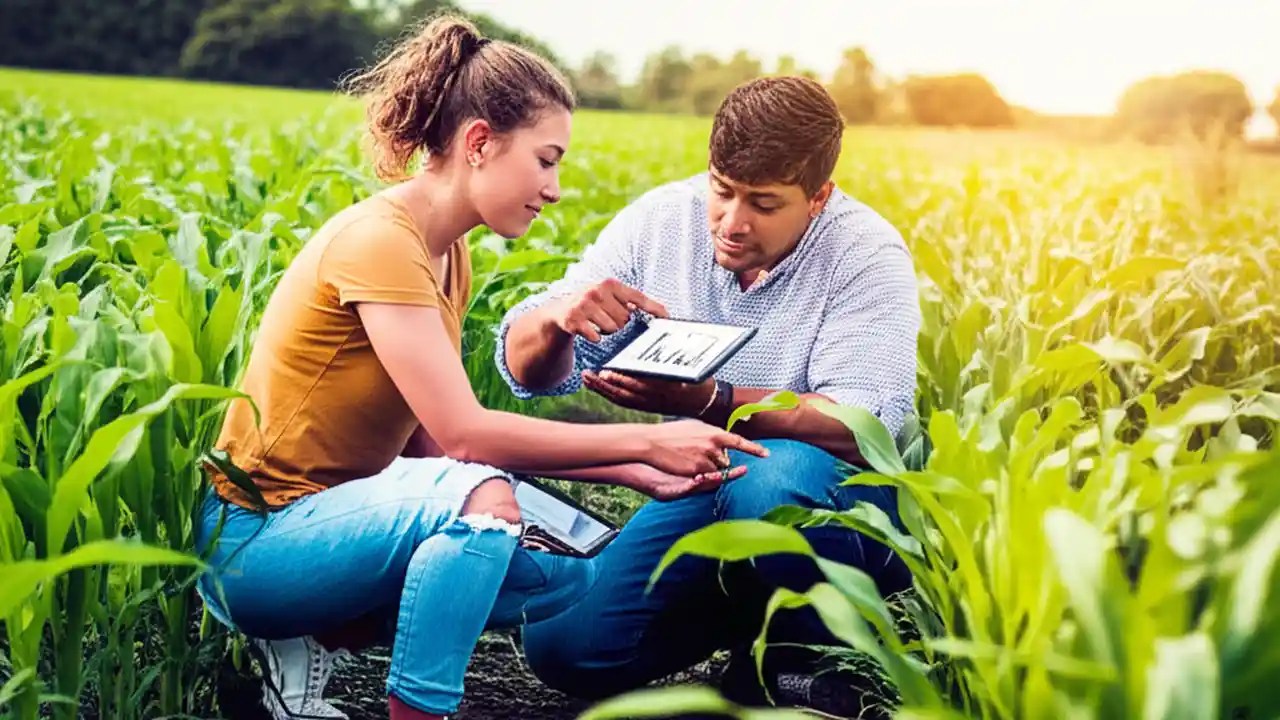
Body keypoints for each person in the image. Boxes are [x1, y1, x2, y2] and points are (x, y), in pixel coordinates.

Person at [191, 15, 768, 720]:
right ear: (478, 143)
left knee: (565, 568)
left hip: (339, 522)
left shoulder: (446, 253)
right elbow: (465, 440)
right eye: (547, 159)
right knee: (483, 507)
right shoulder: (381, 243)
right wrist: (645, 439)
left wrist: (626, 472)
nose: (554, 188)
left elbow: (431, 443)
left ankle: (312, 637)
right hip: (257, 542)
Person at [495, 75, 923, 713]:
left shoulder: (865, 254)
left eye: (764, 203)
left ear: (818, 197)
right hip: (713, 474)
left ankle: (811, 658)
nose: (732, 221)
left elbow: (863, 425)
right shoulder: (661, 220)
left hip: (838, 499)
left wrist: (710, 401)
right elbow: (526, 372)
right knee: (565, 645)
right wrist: (556, 320)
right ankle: (747, 616)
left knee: (771, 484)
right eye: (722, 191)